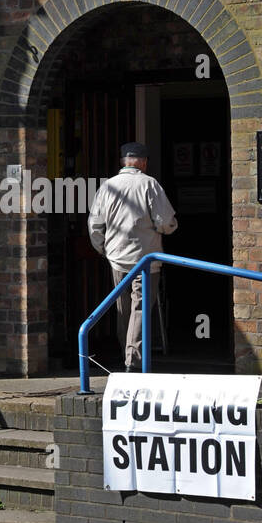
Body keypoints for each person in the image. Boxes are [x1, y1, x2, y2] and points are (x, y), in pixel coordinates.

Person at [88, 142, 178, 372]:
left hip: (117, 258)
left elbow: (95, 226)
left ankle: (126, 354)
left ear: (122, 162)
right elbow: (165, 222)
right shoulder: (150, 184)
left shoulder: (107, 187)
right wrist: (169, 227)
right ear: (144, 162)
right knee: (140, 309)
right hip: (146, 259)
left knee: (123, 310)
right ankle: (133, 362)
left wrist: (104, 250)